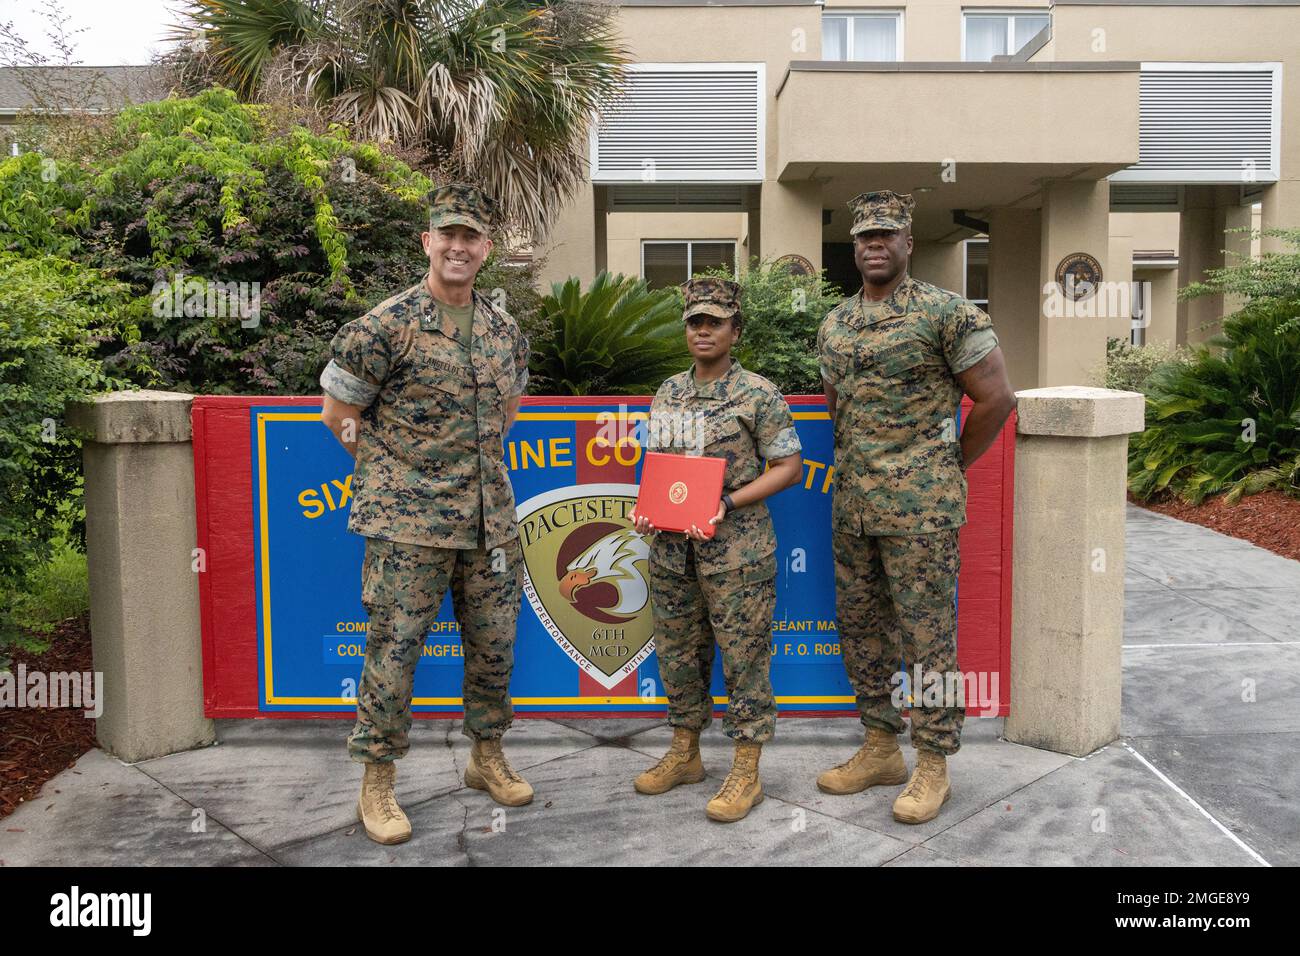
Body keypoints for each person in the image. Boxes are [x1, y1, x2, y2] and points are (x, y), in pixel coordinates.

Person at [319, 183, 532, 845]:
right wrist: (389, 475)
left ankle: (485, 756)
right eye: (448, 235)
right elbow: (338, 415)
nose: (459, 247)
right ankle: (378, 782)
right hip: (408, 528)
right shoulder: (387, 324)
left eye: (471, 237)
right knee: (395, 653)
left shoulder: (503, 331)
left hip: (490, 524)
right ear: (428, 242)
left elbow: (507, 414)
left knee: (494, 649)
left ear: (487, 248)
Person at [816, 190, 1016, 825]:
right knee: (862, 630)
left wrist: (948, 463)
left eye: (887, 235)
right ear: (854, 248)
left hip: (922, 513)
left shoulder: (948, 314)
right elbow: (835, 404)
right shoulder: (837, 321)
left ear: (907, 242)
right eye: (864, 237)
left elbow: (996, 400)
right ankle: (880, 745)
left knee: (928, 639)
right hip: (853, 507)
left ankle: (933, 760)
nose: (875, 245)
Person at [631, 276, 804, 823]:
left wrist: (728, 502)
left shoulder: (758, 393)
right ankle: (685, 753)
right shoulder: (668, 392)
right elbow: (662, 470)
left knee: (744, 659)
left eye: (715, 321)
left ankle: (746, 769)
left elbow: (788, 467)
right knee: (678, 655)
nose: (703, 330)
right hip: (671, 551)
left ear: (735, 329)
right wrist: (646, 509)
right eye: (694, 321)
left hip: (737, 555)